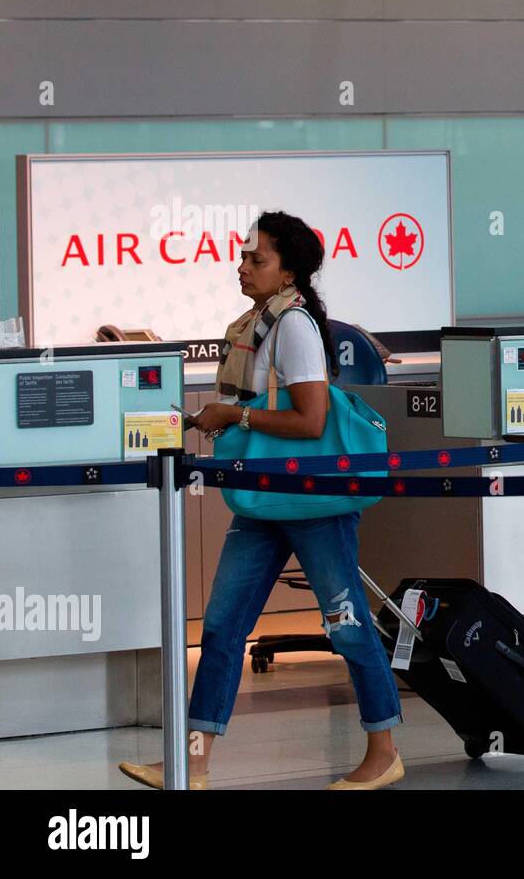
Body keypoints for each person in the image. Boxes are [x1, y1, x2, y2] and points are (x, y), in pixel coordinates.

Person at [118, 212, 404, 790]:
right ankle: (193, 761)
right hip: (264, 501)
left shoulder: (293, 327)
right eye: (244, 257)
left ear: (288, 270)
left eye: (257, 259)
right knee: (222, 628)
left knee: (347, 626)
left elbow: (311, 418)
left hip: (313, 502)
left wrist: (237, 415)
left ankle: (384, 750)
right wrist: (214, 418)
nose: (242, 267)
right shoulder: (257, 325)